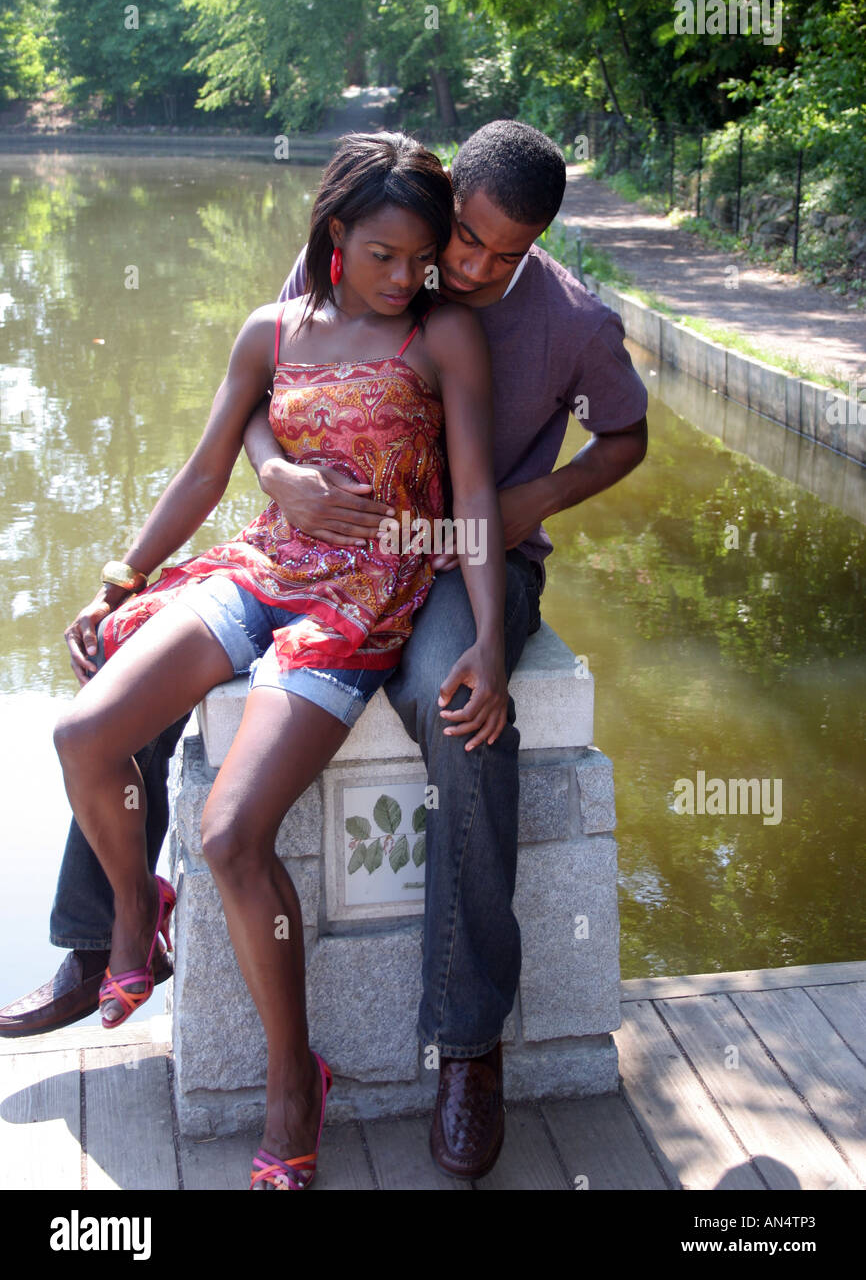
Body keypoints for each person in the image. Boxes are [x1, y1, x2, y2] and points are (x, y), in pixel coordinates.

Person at [1, 118, 649, 1183]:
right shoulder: (385, 244)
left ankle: (467, 1043)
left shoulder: (556, 324)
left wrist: (524, 543)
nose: (467, 267)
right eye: (463, 242)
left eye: (503, 251)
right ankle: (105, 937)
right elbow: (264, 387)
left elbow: (575, 454)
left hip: (439, 558)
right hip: (286, 547)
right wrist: (266, 477)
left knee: (463, 716)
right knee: (116, 692)